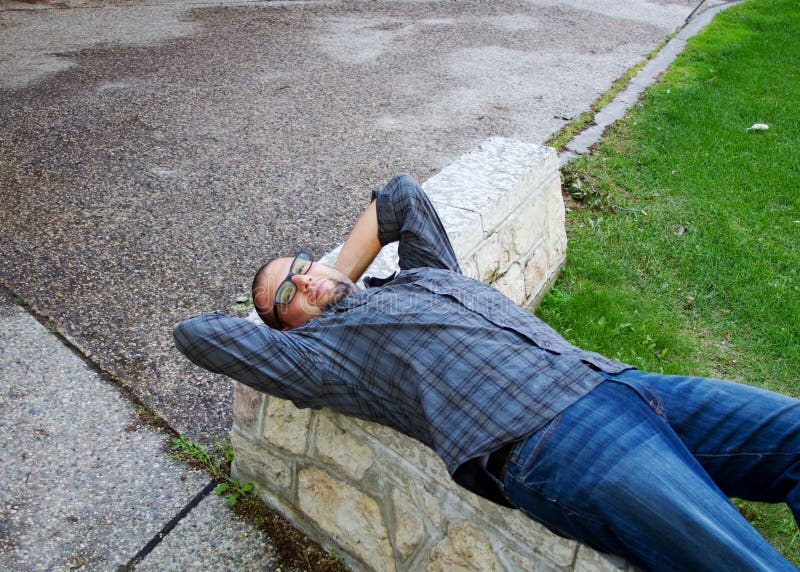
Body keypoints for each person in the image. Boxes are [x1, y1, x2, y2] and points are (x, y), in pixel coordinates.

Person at [174, 174, 800, 571]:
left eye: (302, 263)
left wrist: (338, 270)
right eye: (288, 289)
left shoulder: (422, 272)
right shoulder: (320, 358)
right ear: (285, 328)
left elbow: (399, 195)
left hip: (616, 381)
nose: (304, 277)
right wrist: (293, 319)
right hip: (558, 442)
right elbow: (197, 336)